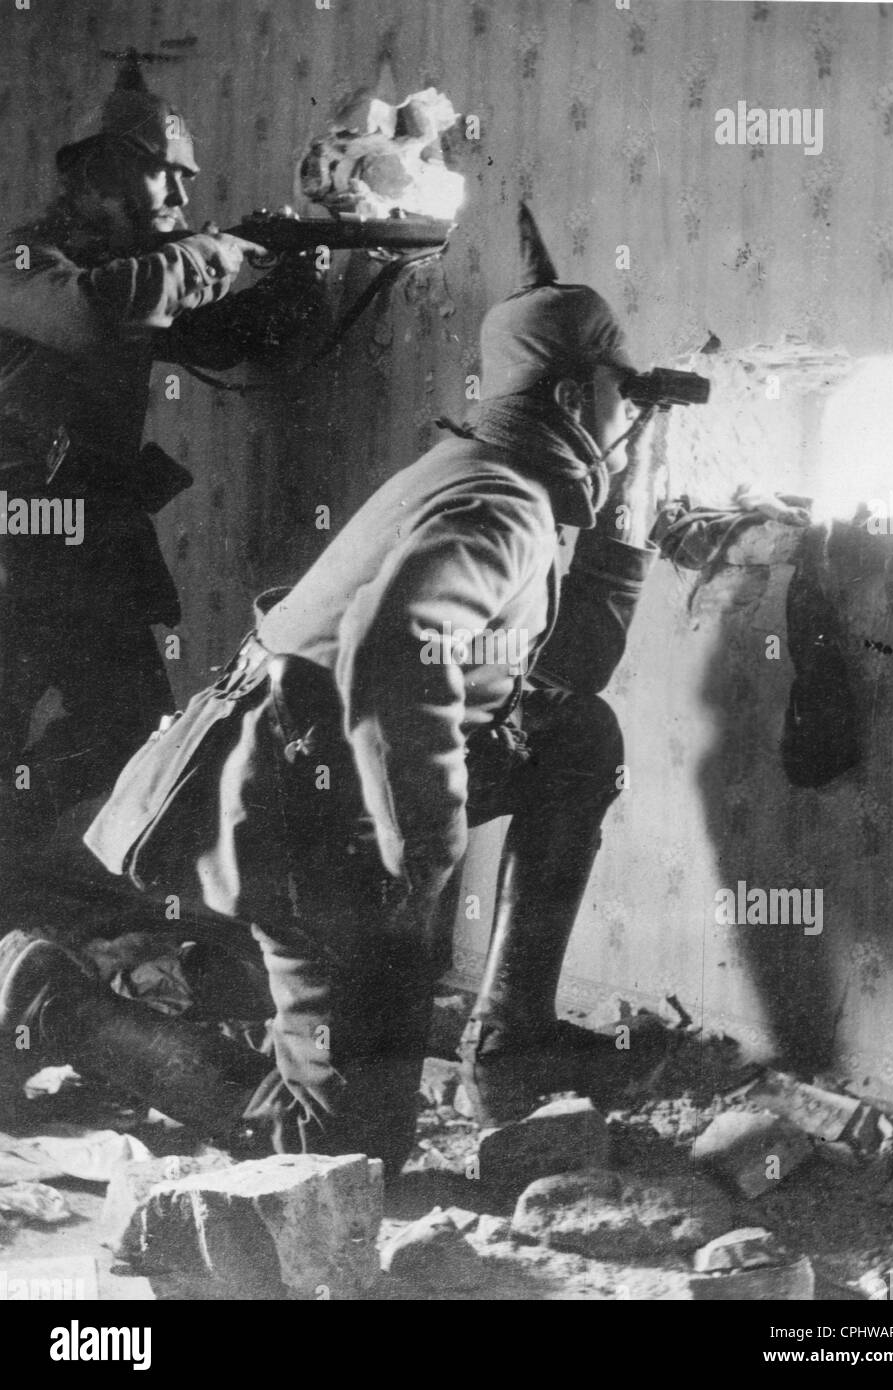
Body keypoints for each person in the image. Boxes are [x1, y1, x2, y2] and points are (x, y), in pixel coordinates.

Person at [1, 204, 667, 1176]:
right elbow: (391, 649)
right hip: (290, 802)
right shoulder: (503, 503)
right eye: (622, 395)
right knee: (342, 1146)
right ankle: (54, 1000)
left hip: (327, 785)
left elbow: (567, 676)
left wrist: (629, 520)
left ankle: (505, 1041)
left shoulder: (499, 479)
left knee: (576, 735)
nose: (631, 414)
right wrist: (423, 856)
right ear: (570, 397)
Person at [0, 54, 324, 851]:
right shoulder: (25, 262)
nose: (183, 198)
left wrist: (296, 273)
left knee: (126, 723)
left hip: (85, 529)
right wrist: (223, 251)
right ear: (103, 174)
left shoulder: (132, 272)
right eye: (165, 178)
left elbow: (213, 334)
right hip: (21, 526)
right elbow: (89, 314)